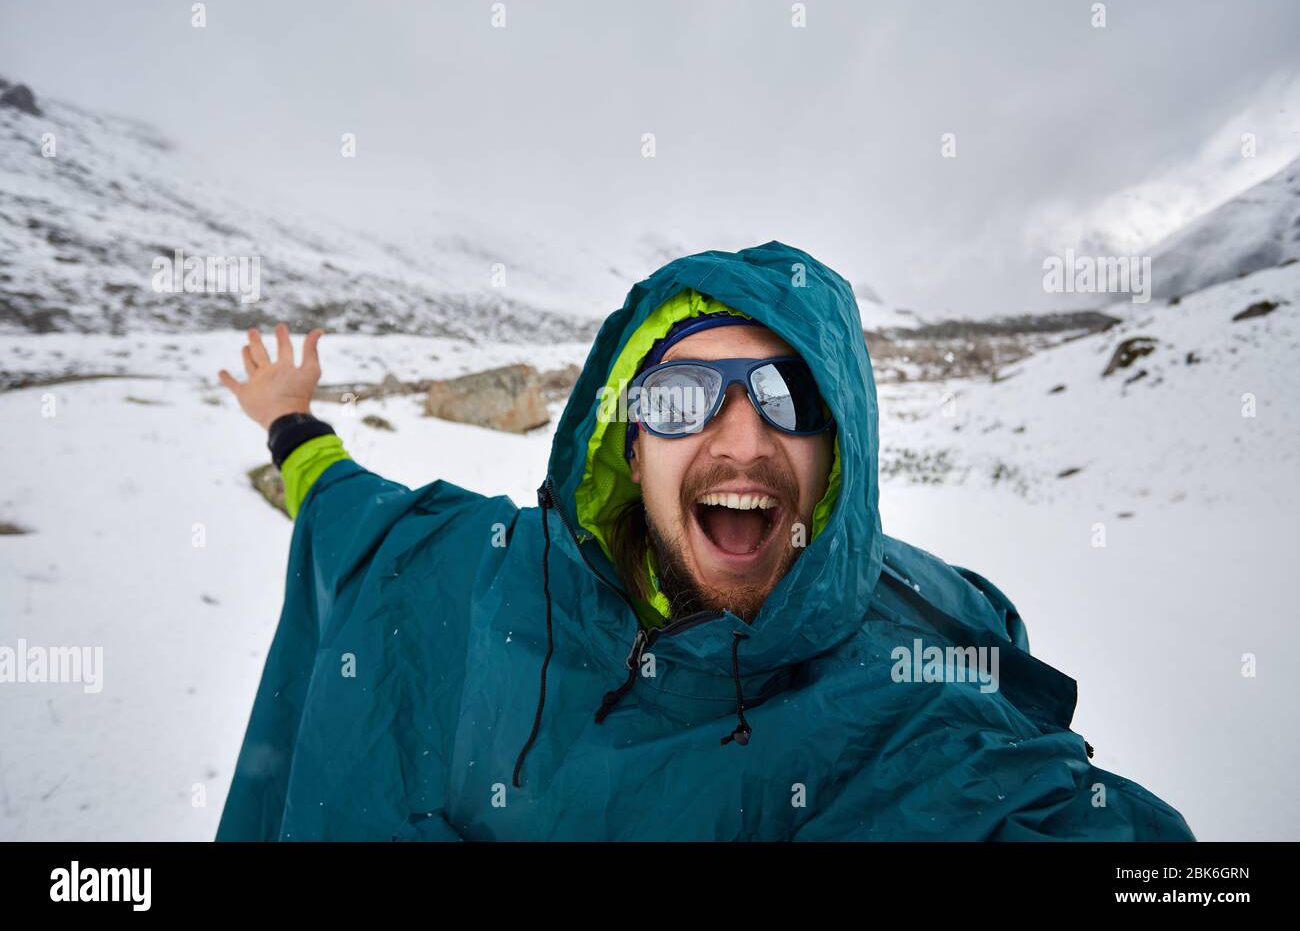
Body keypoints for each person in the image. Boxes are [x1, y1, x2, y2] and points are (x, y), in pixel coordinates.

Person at [215, 240, 1194, 841]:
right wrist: (293, 425)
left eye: (787, 394)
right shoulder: (493, 568)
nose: (737, 437)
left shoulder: (910, 681)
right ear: (624, 443)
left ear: (837, 447)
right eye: (679, 399)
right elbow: (362, 512)